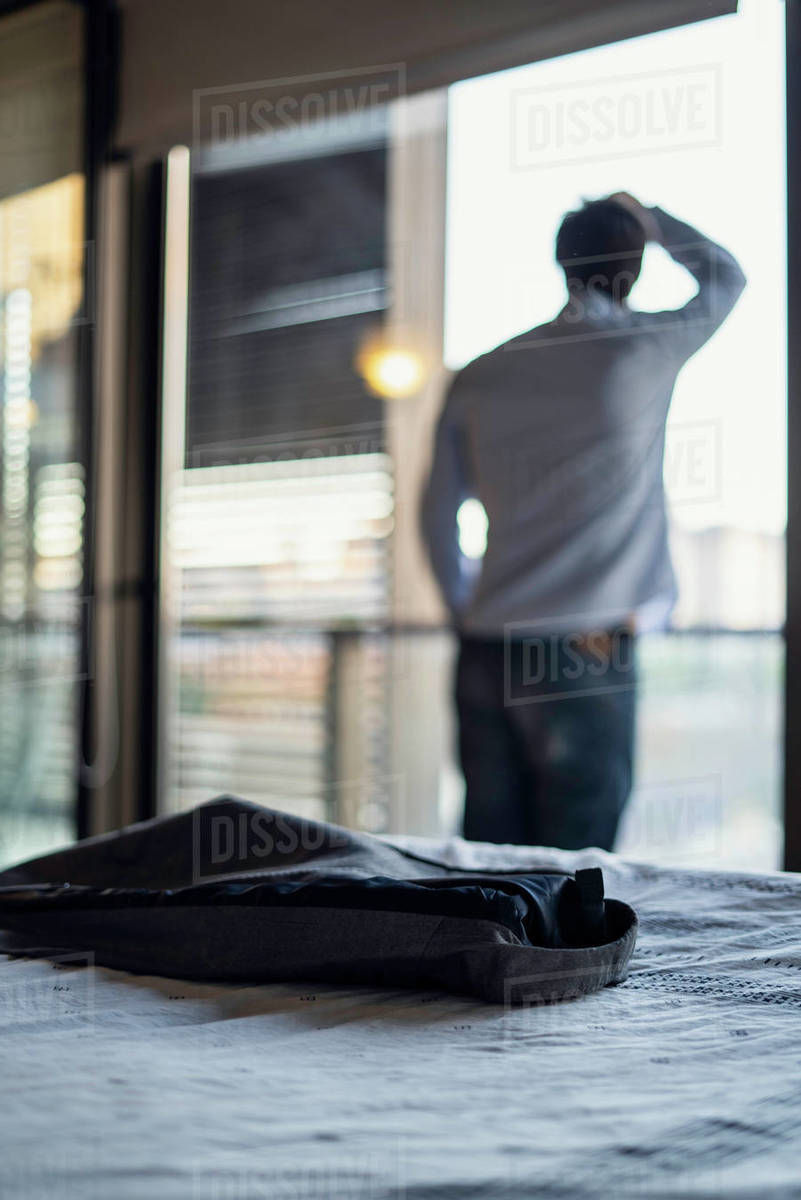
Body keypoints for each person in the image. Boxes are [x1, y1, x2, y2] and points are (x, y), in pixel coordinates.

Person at [420, 193, 746, 850]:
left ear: (560, 263)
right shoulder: (640, 350)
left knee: (487, 863)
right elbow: (724, 277)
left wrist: (465, 610)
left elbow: (433, 513)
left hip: (486, 642)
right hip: (582, 650)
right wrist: (651, 217)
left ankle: (485, 958)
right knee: (576, 869)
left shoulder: (481, 374)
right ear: (635, 267)